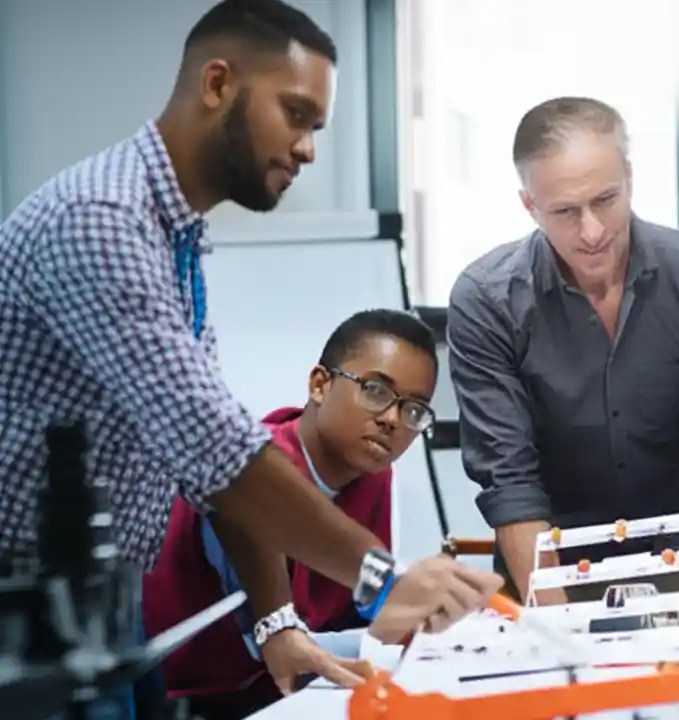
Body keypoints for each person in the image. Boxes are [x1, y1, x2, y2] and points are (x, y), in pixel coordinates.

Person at [0, 2, 502, 715]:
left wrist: (276, 625)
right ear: (217, 85)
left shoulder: (178, 240)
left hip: (101, 607)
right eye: (295, 114)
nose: (307, 149)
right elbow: (218, 450)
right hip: (26, 620)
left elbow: (207, 463)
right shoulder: (100, 219)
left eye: (317, 128)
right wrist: (382, 579)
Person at [447, 96, 679, 603]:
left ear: (629, 176)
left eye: (605, 200)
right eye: (564, 211)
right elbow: (509, 480)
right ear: (529, 205)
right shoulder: (486, 300)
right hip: (550, 570)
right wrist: (559, 633)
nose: (592, 231)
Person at [141, 309, 439, 719]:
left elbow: (362, 606)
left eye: (413, 411)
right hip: (206, 700)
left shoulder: (373, 475)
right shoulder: (249, 479)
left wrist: (418, 619)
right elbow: (265, 647)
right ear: (319, 385)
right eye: (375, 390)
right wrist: (386, 641)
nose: (392, 419)